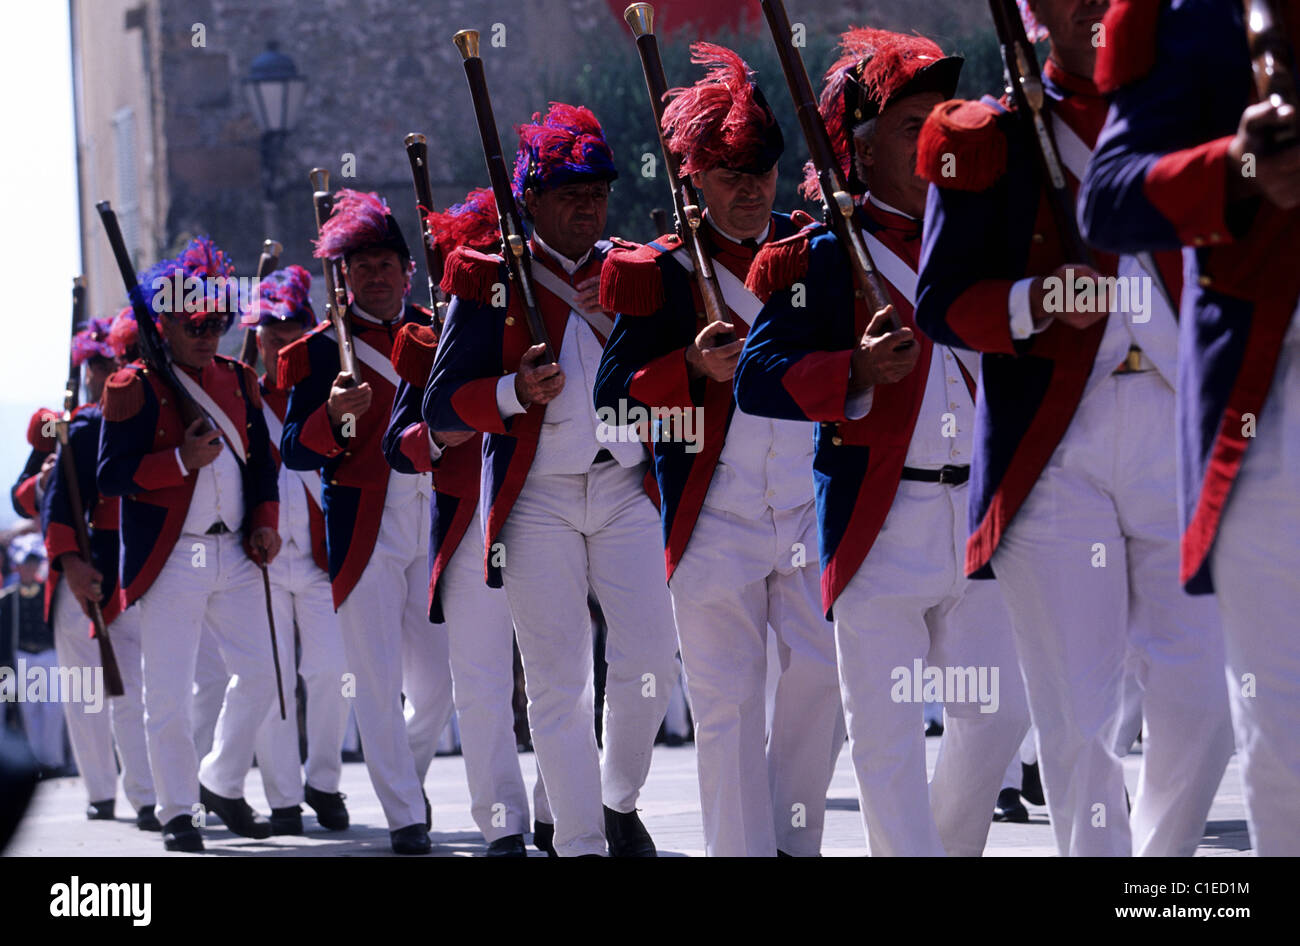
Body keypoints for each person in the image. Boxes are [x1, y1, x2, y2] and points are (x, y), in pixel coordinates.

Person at [914, 0, 1234, 856]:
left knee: (1203, 704)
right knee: (1081, 722)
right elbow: (939, 303)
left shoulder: (1188, 111)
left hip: (1180, 429)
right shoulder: (991, 137)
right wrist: (1033, 300)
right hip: (1051, 449)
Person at [735, 28, 1030, 856]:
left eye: (946, 117)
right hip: (879, 522)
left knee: (999, 716)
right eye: (911, 126)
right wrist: (854, 370)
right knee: (887, 735)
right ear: (859, 152)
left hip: (979, 517)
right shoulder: (823, 255)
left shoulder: (989, 231)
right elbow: (760, 376)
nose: (937, 136)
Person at [596, 43, 844, 857]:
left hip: (810, 503)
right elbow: (611, 402)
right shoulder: (663, 273)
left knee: (821, 680)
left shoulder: (814, 253)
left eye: (761, 173)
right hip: (710, 515)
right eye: (731, 175)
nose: (750, 191)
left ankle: (789, 841)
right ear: (696, 178)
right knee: (727, 704)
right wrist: (689, 366)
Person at [425, 102, 679, 857]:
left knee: (650, 661)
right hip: (534, 500)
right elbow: (441, 406)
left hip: (625, 486)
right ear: (530, 200)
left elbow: (677, 375)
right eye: (568, 190)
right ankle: (580, 844)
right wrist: (512, 392)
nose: (586, 203)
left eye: (596, 191)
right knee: (558, 680)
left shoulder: (637, 271)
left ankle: (615, 799)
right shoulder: (488, 281)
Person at [1079, 0, 1300, 855]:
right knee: (1282, 749)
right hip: (1269, 399)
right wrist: (1242, 169)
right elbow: (1110, 196)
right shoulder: (1194, 18)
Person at [280, 191, 453, 855]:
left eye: (386, 263)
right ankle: (406, 814)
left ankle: (403, 777)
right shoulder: (319, 353)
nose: (375, 275)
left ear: (408, 272)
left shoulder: (439, 334)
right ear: (343, 276)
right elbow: (296, 445)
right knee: (376, 679)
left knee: (437, 684)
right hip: (362, 525)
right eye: (362, 265)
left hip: (432, 515)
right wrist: (334, 415)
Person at [383, 188, 552, 857]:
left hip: (545, 507)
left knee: (559, 676)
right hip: (468, 522)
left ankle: (556, 807)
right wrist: (456, 428)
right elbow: (404, 443)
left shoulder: (547, 314)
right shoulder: (427, 337)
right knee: (480, 683)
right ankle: (503, 822)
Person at [98, 237, 281, 852]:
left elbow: (261, 466)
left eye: (218, 322)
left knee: (261, 675)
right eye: (195, 324)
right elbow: (112, 476)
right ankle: (177, 810)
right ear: (166, 324)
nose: (209, 334)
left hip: (234, 551)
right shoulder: (132, 386)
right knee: (167, 695)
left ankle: (220, 779)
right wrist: (178, 460)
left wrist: (265, 519)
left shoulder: (238, 379)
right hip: (173, 556)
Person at [240, 265, 351, 836]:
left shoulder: (321, 392)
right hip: (256, 560)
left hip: (320, 560)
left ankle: (324, 781)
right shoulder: (239, 395)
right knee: (275, 681)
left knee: (332, 671)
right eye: (271, 329)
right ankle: (283, 797)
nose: (282, 337)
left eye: (292, 327)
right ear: (258, 339)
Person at [40, 312, 157, 829]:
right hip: (87, 569)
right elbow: (41, 499)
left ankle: (152, 791)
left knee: (140, 691)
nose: (108, 369)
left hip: (140, 566)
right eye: (100, 362)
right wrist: (71, 561)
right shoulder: (77, 427)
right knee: (89, 693)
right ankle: (102, 792)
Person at [1, 537, 65, 775]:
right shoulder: (9, 597)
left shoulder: (50, 592)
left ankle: (54, 760)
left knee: (54, 707)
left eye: (32, 563)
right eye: (24, 564)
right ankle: (37, 762)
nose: (28, 568)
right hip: (23, 655)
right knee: (29, 710)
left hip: (49, 653)